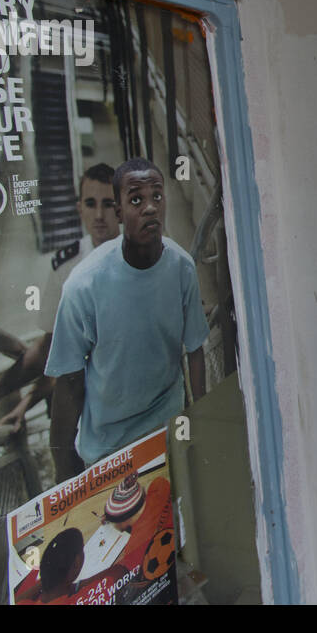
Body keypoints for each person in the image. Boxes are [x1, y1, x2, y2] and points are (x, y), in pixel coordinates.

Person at [44, 158, 209, 466]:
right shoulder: (83, 285)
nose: (149, 208)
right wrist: (63, 468)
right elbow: (68, 381)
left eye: (156, 197)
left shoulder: (181, 267)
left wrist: (198, 423)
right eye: (136, 199)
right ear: (119, 211)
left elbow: (196, 348)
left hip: (166, 433)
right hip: (106, 450)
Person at [0, 162, 121, 481]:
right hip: (80, 406)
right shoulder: (65, 267)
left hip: (124, 401)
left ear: (120, 209)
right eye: (91, 204)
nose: (99, 215)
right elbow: (53, 351)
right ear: (79, 209)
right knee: (70, 478)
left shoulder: (141, 260)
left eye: (108, 204)